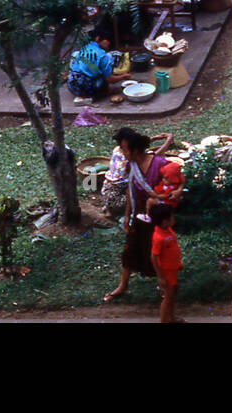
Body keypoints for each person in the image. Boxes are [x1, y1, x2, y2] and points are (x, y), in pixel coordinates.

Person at [104, 132, 167, 302]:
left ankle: (163, 284)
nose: (123, 153)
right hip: (139, 214)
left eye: (125, 149)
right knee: (130, 249)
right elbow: (130, 190)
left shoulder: (160, 164)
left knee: (158, 250)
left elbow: (170, 189)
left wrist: (157, 200)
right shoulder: (132, 166)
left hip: (158, 215)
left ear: (137, 150)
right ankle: (123, 286)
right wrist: (127, 216)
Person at [101, 129, 173, 218]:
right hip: (115, 197)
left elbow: (136, 145)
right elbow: (154, 156)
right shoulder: (127, 158)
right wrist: (168, 141)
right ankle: (113, 209)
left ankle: (108, 208)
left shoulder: (117, 150)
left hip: (107, 189)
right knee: (141, 195)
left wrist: (154, 138)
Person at [67, 27, 128, 101]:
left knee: (77, 56)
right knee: (104, 70)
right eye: (107, 40)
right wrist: (123, 76)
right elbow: (110, 80)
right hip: (88, 91)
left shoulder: (83, 48)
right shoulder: (102, 55)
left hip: (72, 88)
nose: (109, 43)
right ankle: (101, 92)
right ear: (98, 38)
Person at [149, 203, 183, 323]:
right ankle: (164, 320)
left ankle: (171, 318)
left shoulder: (168, 230)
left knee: (172, 296)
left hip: (173, 269)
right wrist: (160, 277)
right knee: (167, 298)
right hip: (166, 272)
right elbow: (153, 257)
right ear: (164, 221)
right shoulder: (158, 237)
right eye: (172, 217)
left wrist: (178, 264)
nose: (174, 219)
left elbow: (172, 248)